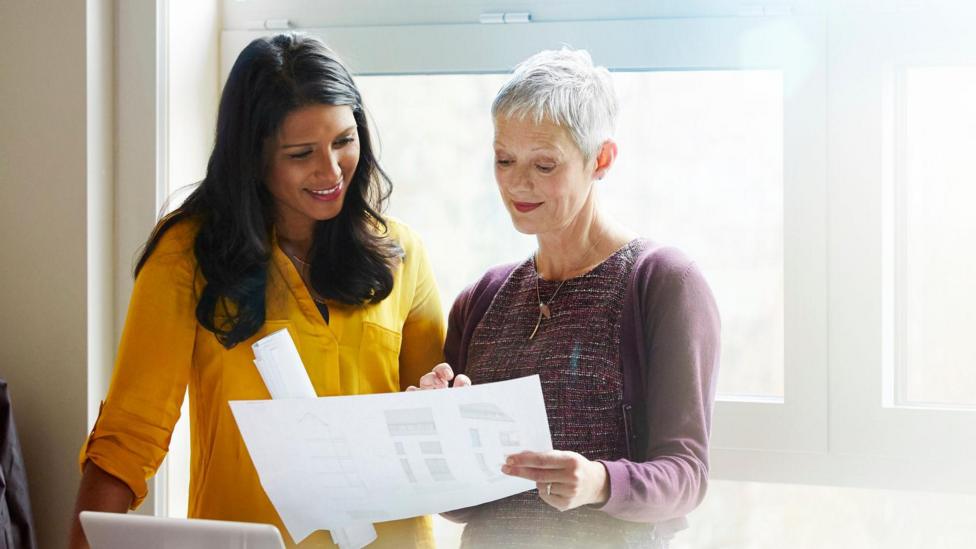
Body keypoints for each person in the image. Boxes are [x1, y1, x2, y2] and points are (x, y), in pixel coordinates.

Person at [69, 34, 445, 548]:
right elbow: (128, 439)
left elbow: (431, 423)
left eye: (343, 140)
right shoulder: (187, 256)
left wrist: (446, 404)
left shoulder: (401, 252)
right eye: (301, 153)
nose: (331, 171)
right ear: (252, 156)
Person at [410, 48, 721, 548]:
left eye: (545, 164)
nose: (517, 181)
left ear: (601, 159)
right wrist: (436, 436)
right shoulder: (483, 299)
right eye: (504, 159)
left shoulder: (662, 283)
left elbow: (686, 474)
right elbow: (460, 504)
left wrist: (599, 482)